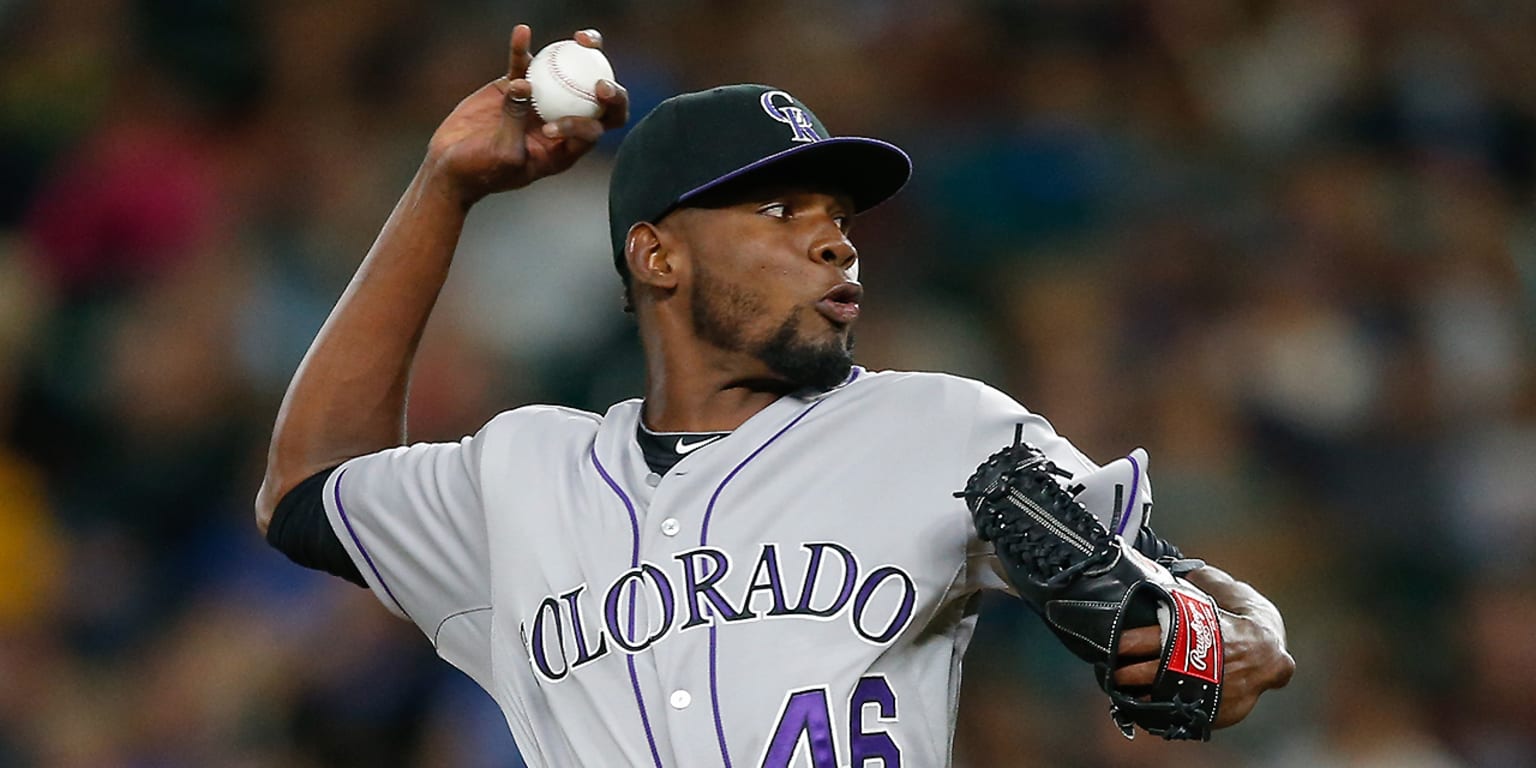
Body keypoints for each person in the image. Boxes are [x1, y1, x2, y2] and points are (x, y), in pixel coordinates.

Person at [256, 25, 1294, 767]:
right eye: (781, 209)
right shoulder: (522, 474)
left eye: (838, 215)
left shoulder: (945, 428)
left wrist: (1248, 635)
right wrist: (445, 186)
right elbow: (307, 486)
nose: (833, 240)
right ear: (656, 257)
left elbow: (1179, 590)